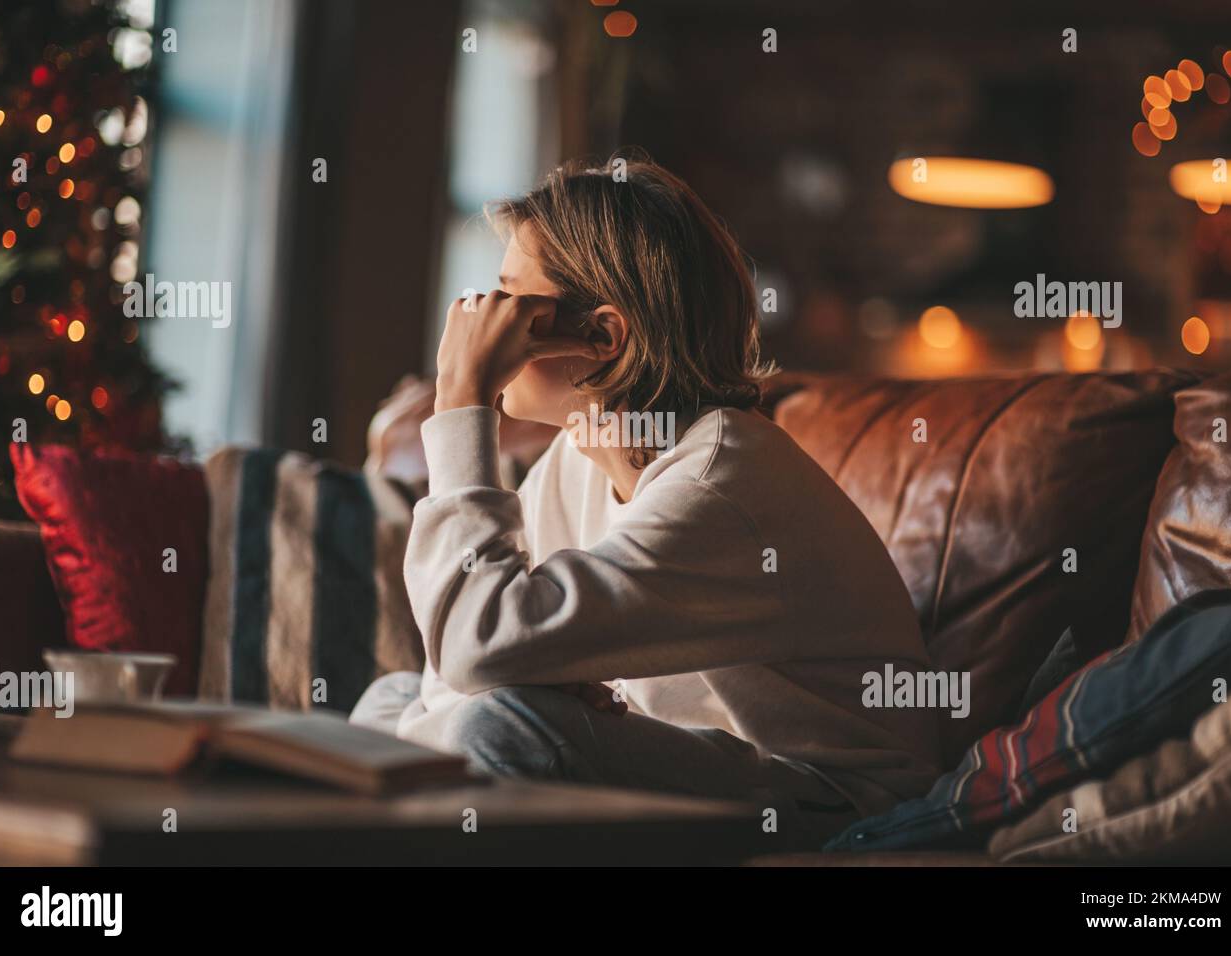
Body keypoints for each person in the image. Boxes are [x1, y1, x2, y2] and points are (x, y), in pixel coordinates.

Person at [351, 157, 941, 849]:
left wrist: (462, 403)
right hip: (699, 759)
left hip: (828, 797)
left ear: (602, 339)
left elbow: (475, 651)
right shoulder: (578, 455)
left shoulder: (721, 484)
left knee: (497, 725)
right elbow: (456, 661)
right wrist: (534, 674)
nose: (477, 320)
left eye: (509, 300)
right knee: (385, 702)